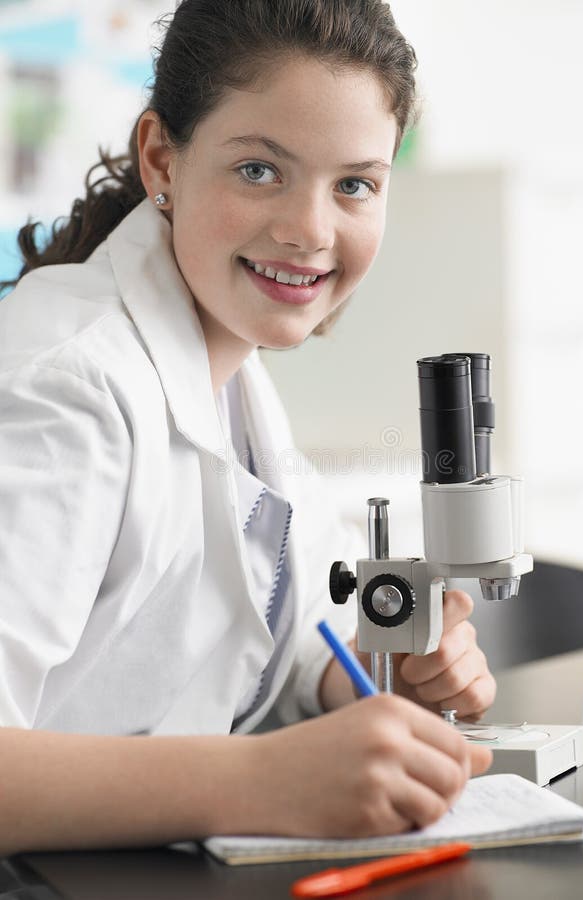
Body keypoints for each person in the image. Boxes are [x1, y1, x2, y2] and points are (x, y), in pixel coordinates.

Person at [0, 0, 496, 854]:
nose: (310, 230)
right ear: (163, 157)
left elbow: (264, 648)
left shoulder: (230, 373)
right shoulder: (66, 390)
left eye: (354, 185)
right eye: (261, 170)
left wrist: (381, 685)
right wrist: (266, 782)